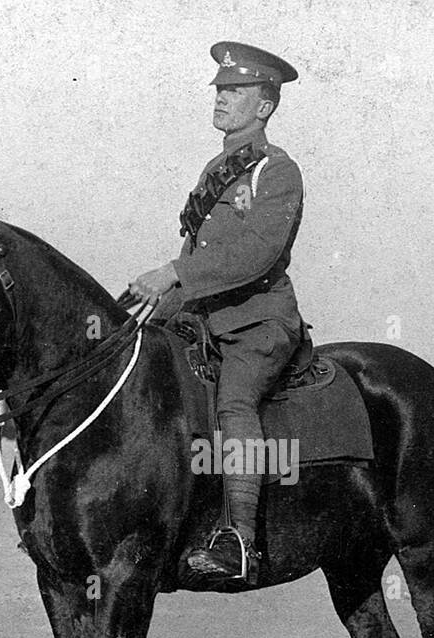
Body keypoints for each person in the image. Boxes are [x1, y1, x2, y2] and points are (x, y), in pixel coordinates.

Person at [129, 41, 310, 586]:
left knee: (234, 403)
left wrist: (175, 274)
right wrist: (156, 302)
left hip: (257, 321)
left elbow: (257, 255)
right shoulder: (219, 167)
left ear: (264, 107)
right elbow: (198, 256)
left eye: (235, 91)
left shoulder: (277, 171)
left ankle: (240, 541)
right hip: (204, 317)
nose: (222, 98)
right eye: (220, 89)